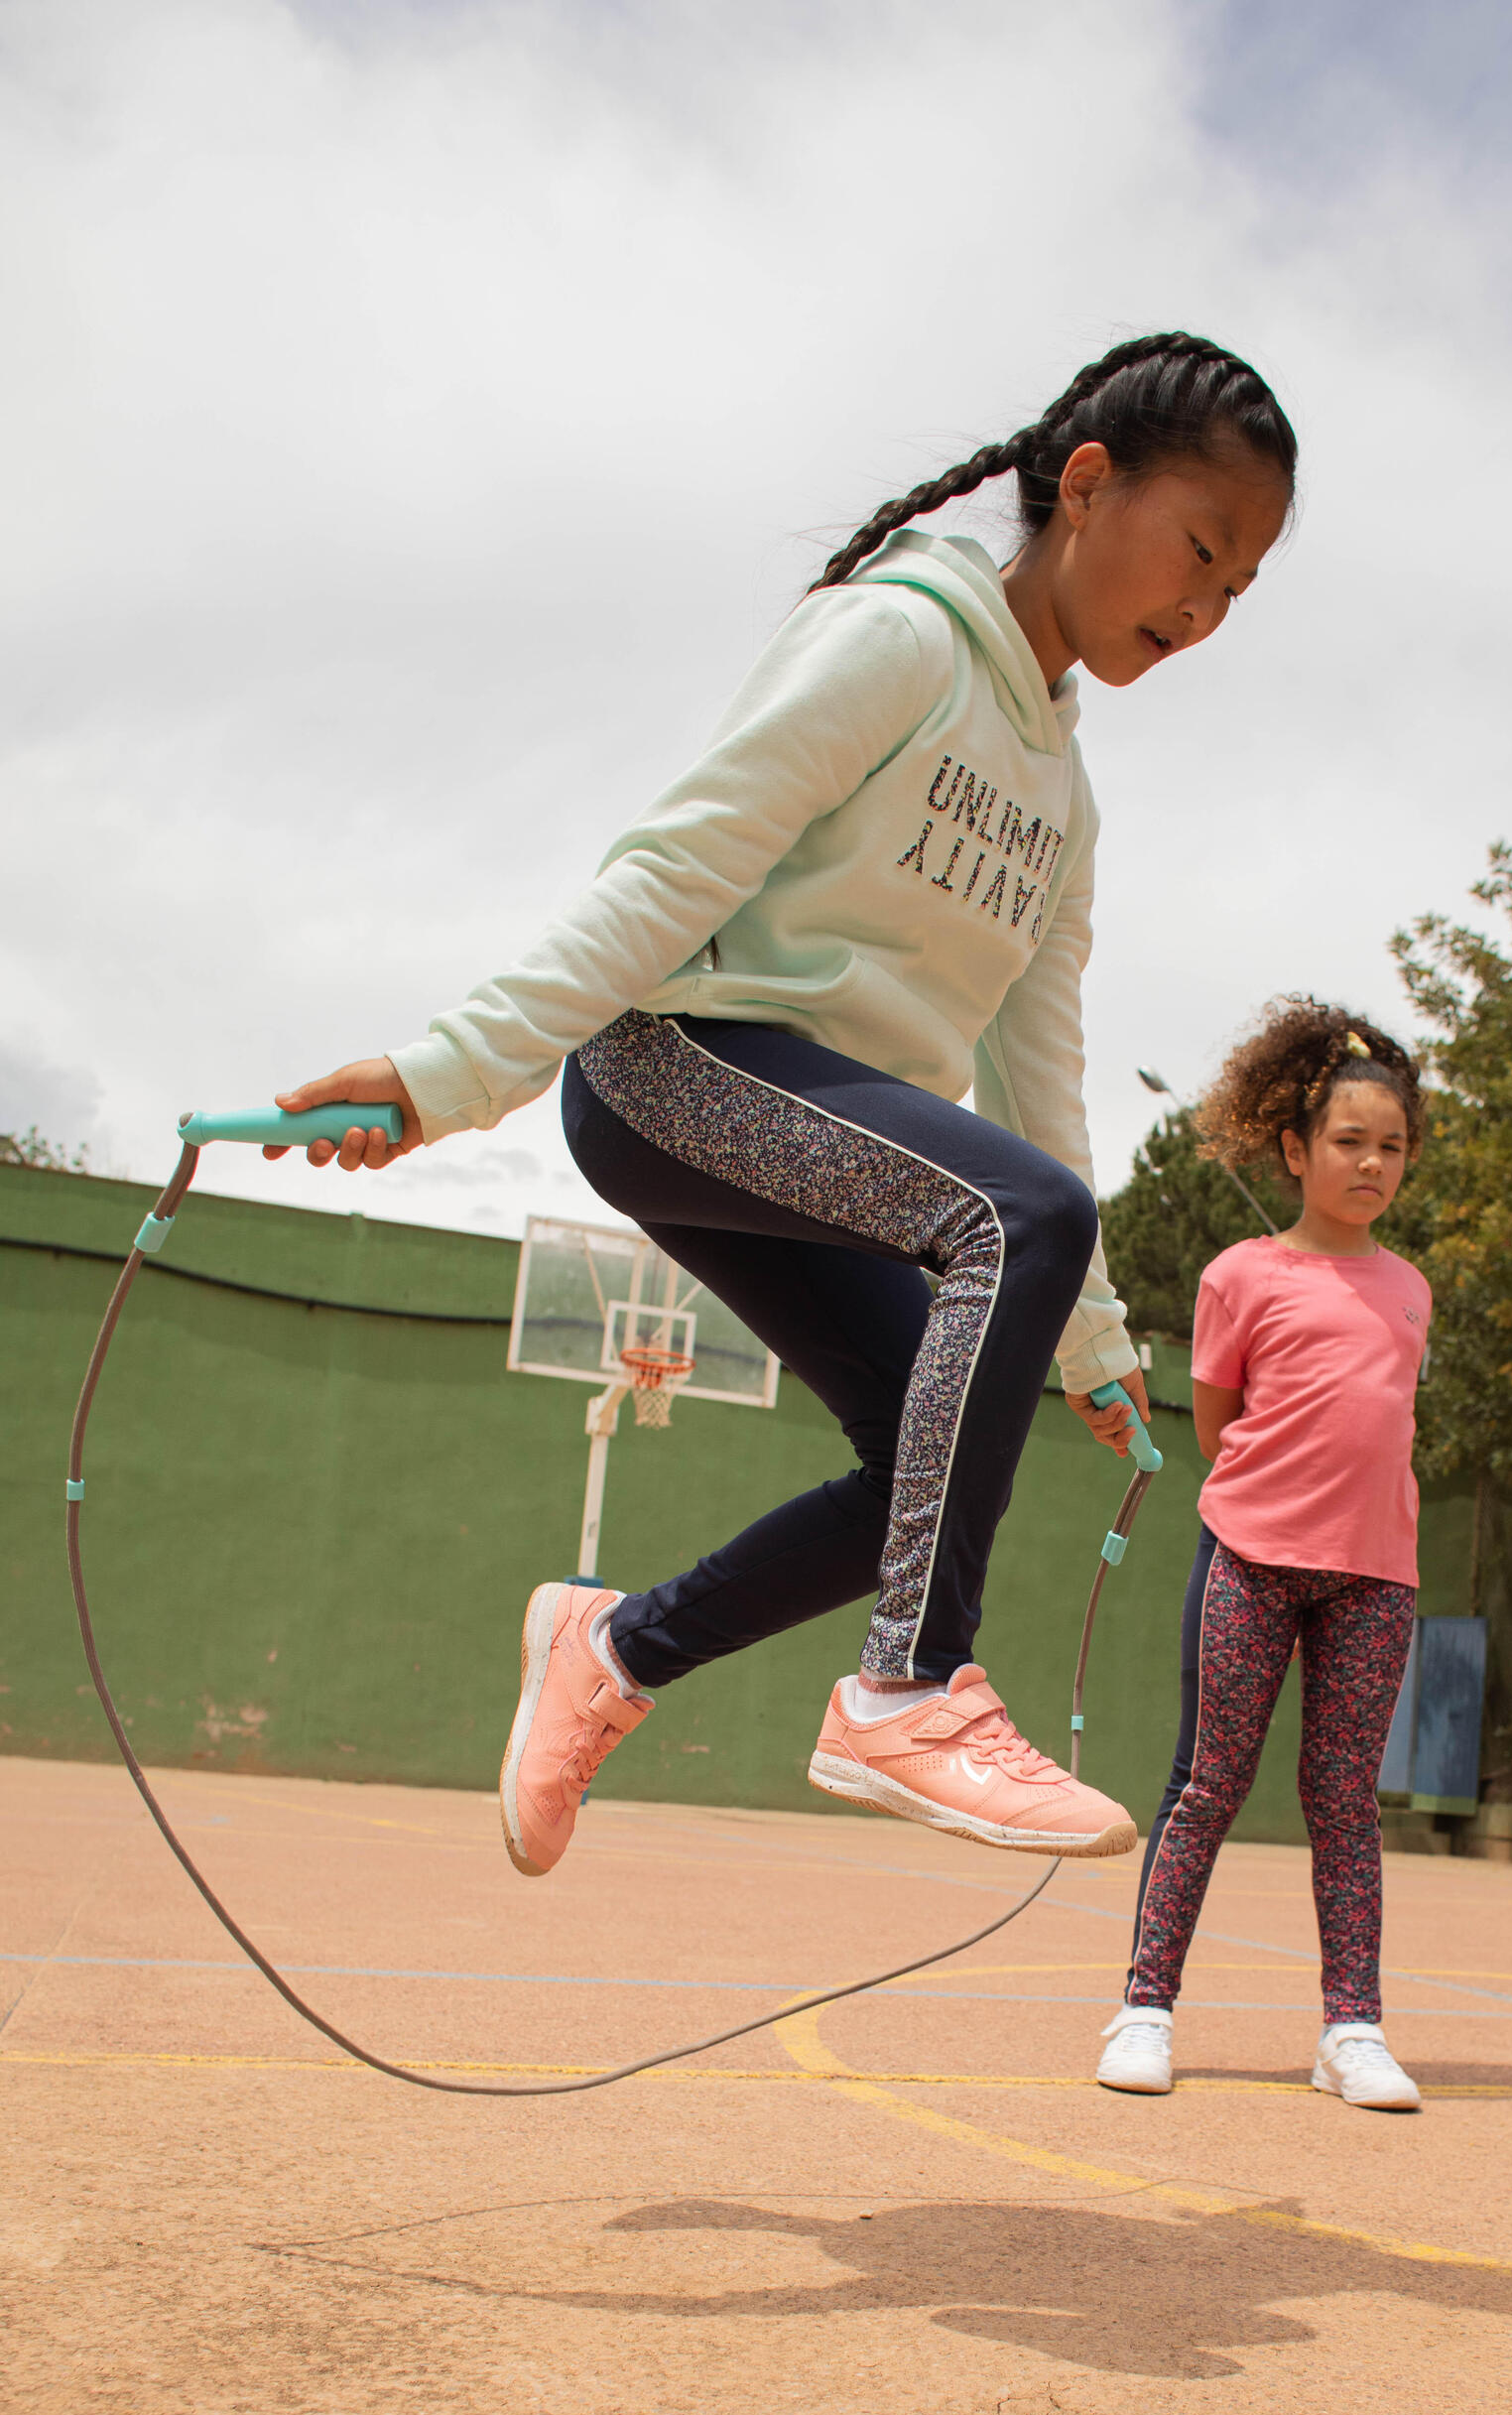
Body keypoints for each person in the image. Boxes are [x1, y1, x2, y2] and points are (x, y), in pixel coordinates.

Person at [266, 335, 1299, 1877]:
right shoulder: (898, 637)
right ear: (1087, 486)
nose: (1205, 612)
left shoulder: (1065, 803)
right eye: (1200, 551)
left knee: (917, 1453)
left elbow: (1038, 1075)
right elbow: (674, 866)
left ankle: (609, 1653)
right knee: (1013, 1216)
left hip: (823, 1129)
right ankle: (908, 1687)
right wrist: (453, 1071)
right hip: (670, 1064)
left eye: (1240, 592)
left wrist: (1086, 1337)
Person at [1097, 1002, 1431, 2109]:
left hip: (1376, 1576)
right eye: (1349, 1142)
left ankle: (1353, 2030)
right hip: (1250, 1559)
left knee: (1345, 1800)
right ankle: (1145, 2008)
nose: (1371, 1163)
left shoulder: (1412, 1289)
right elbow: (1215, 1424)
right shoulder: (1240, 1274)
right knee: (1207, 1785)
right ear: (1296, 1151)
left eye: (1391, 1145)